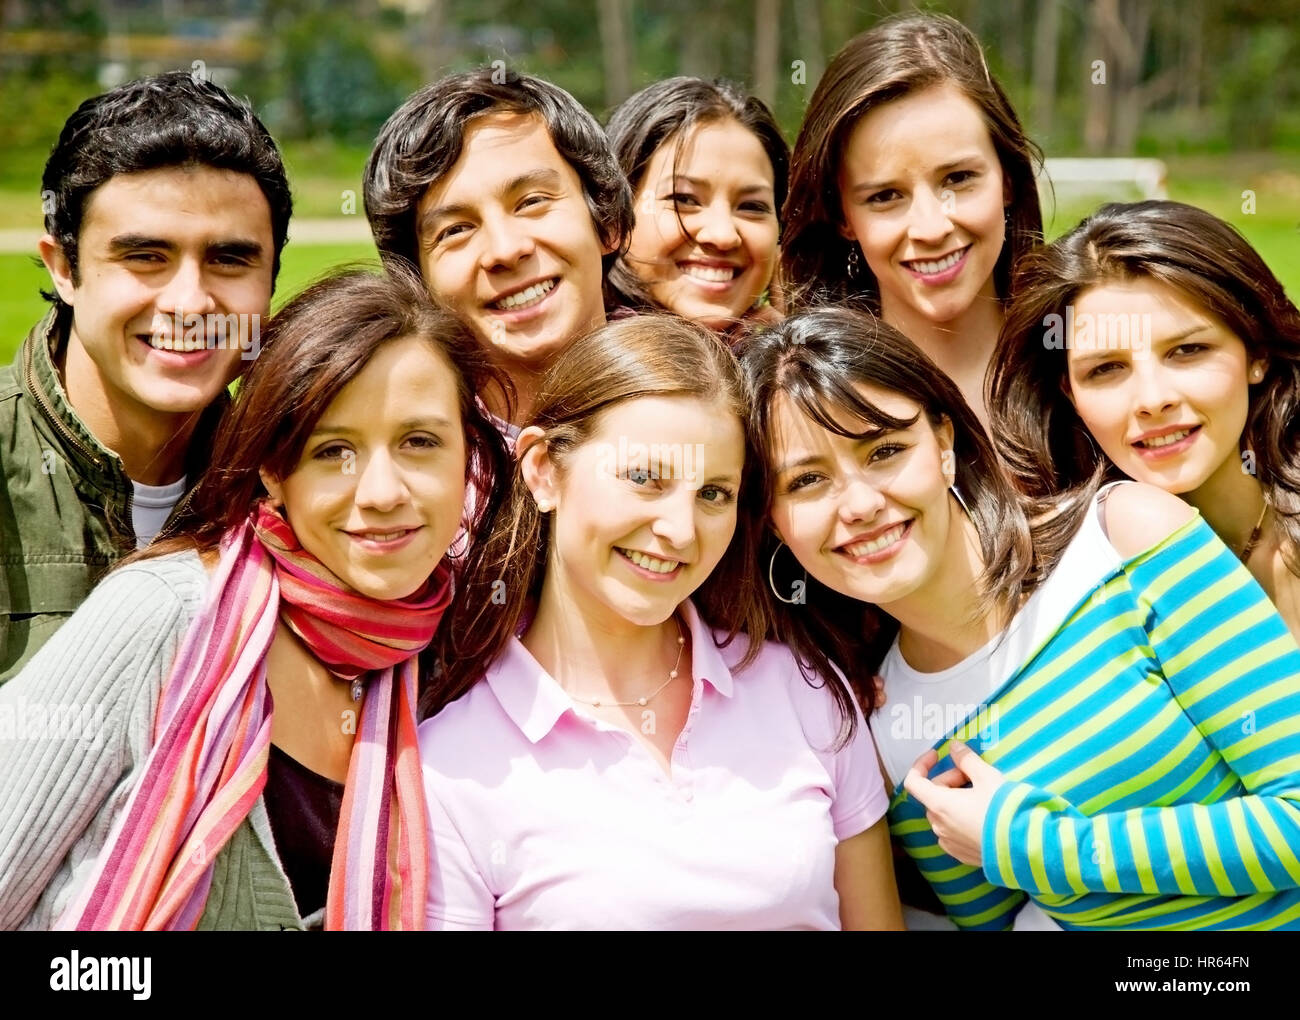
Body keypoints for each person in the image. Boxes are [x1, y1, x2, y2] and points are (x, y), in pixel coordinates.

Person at [739, 305, 1300, 931]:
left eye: (885, 450)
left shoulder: (1126, 541)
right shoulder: (889, 730)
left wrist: (1030, 845)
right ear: (774, 523)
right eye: (808, 481)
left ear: (945, 446)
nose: (862, 505)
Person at [0, 268, 509, 930]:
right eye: (333, 450)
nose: (381, 491)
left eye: (419, 442)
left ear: (467, 455)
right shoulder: (164, 615)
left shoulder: (448, 659)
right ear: (274, 469)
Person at [419, 314, 903, 930]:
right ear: (543, 469)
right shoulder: (452, 767)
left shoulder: (803, 690)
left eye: (713, 494)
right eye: (645, 478)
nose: (679, 531)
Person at [0, 70, 292, 683]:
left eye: (230, 259)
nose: (190, 302)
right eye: (144, 257)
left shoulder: (297, 475)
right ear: (65, 269)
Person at [989, 200, 1300, 645]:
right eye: (1107, 369)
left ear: (1257, 353)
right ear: (1069, 394)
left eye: (1188, 351)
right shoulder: (1064, 591)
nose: (1153, 400)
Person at [780, 12, 1042, 426]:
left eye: (958, 179)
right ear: (842, 216)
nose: (932, 228)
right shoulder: (798, 406)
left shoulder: (1089, 370)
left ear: (1007, 180)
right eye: (885, 197)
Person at [364, 67, 633, 437]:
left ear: (608, 220)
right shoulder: (400, 464)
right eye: (455, 230)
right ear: (415, 281)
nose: (505, 250)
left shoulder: (711, 408)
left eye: (532, 202)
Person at [604, 76, 787, 335]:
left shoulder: (786, 360)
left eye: (752, 206)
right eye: (684, 200)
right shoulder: (565, 368)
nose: (723, 235)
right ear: (613, 213)